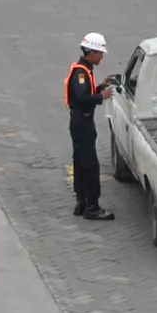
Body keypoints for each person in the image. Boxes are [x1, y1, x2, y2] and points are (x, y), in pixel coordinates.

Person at [66, 33, 115, 220]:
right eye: (100, 53)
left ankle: (81, 202)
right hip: (82, 122)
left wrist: (100, 87)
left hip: (80, 121)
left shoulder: (84, 70)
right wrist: (102, 96)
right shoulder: (80, 73)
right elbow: (82, 98)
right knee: (90, 165)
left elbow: (86, 93)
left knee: (80, 162)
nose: (101, 57)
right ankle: (92, 207)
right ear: (91, 52)